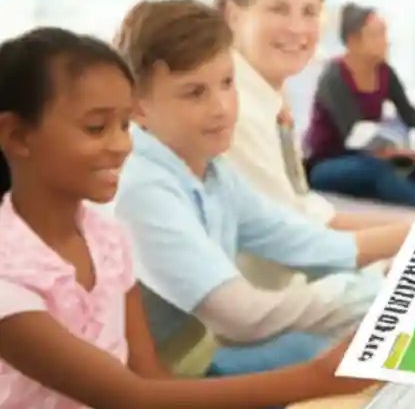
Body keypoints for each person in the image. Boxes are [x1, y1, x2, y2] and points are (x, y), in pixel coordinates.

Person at [0, 27, 371, 409]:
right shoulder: (9, 276)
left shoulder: (106, 238)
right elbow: (131, 397)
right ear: (15, 135)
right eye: (96, 128)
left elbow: (148, 375)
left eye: (125, 124)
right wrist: (319, 377)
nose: (121, 145)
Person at [111, 0, 413, 378]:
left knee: (361, 347)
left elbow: (307, 242)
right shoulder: (143, 188)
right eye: (194, 93)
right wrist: (381, 296)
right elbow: (240, 316)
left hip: (196, 358)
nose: (222, 107)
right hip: (167, 382)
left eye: (226, 83)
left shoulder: (212, 169)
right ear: (137, 107)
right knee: (354, 359)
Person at [215, 0, 403, 292]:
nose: (298, 28)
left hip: (288, 281)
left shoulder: (264, 95)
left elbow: (308, 211)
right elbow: (293, 244)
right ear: (233, 15)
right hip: (262, 304)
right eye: (278, 9)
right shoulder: (230, 108)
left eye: (310, 12)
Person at [304, 3, 415, 206]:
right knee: (376, 168)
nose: (386, 41)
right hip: (329, 163)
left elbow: (410, 115)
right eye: (377, 35)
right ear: (353, 41)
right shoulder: (334, 76)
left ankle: (396, 186)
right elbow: (355, 136)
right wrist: (407, 153)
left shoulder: (384, 72)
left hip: (376, 154)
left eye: (384, 34)